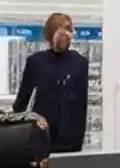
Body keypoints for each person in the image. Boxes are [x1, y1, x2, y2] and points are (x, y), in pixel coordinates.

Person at [12, 12, 90, 153]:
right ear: (50, 34)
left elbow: (82, 102)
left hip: (71, 137)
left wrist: (80, 135)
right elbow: (22, 101)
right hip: (42, 133)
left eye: (68, 31)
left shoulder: (80, 63)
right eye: (60, 32)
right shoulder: (36, 62)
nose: (65, 36)